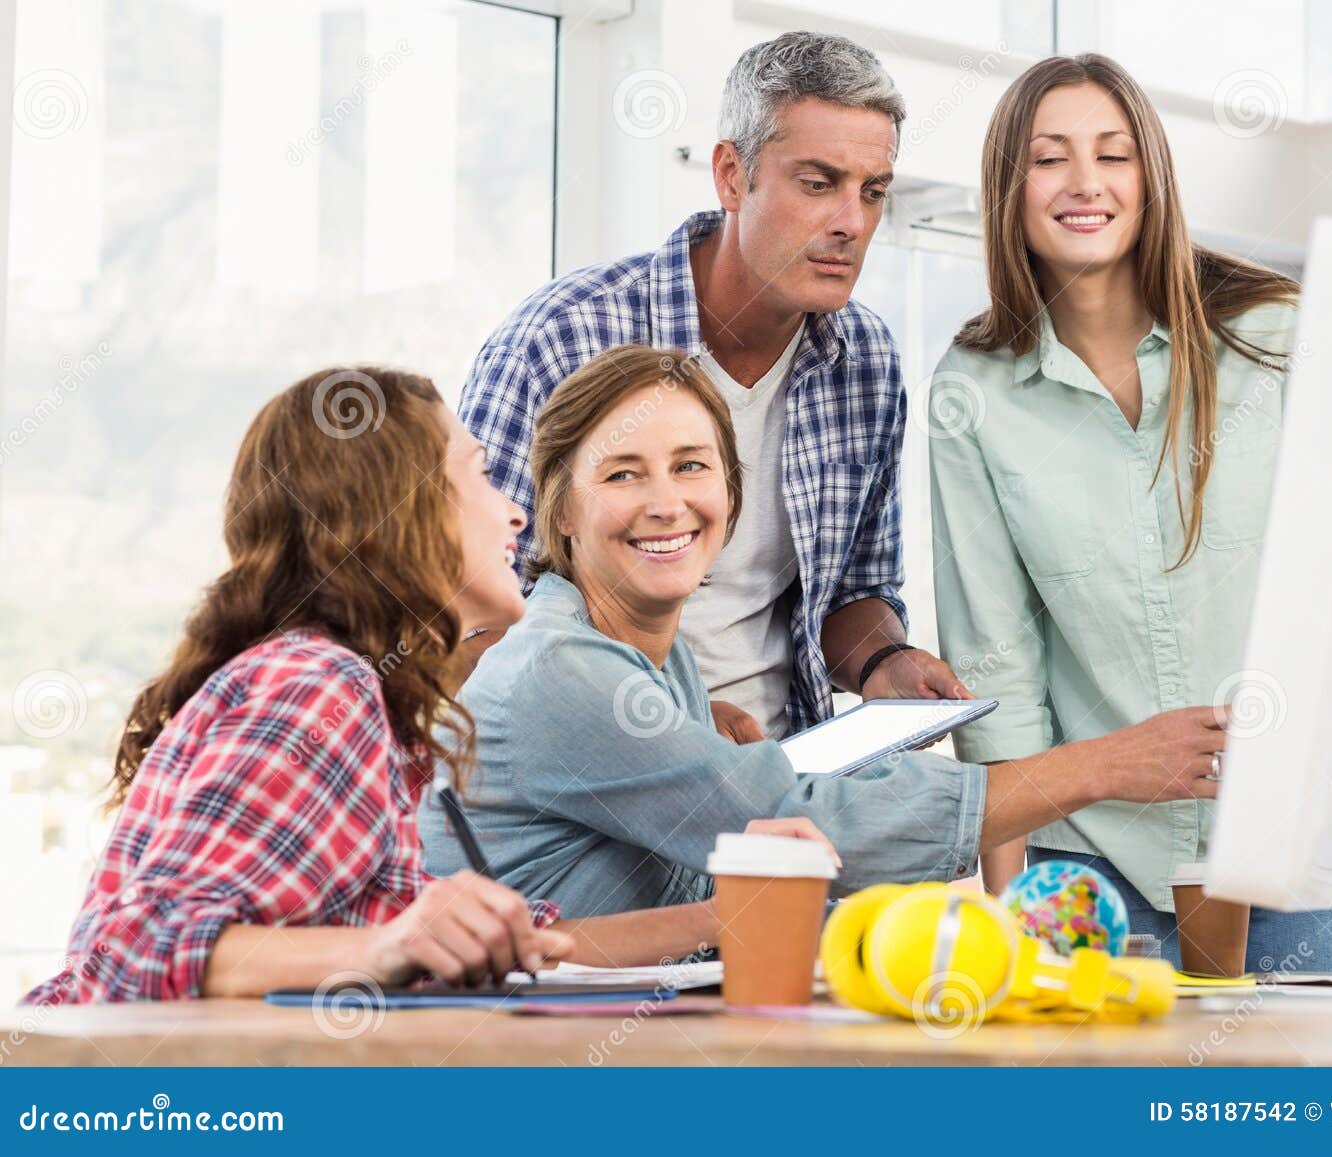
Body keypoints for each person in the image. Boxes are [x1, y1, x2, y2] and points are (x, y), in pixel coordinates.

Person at [24, 365, 818, 1004]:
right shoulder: (314, 684)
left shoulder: (369, 704)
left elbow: (521, 949)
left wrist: (735, 914)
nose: (514, 513)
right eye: (478, 477)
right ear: (405, 513)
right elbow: (134, 950)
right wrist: (386, 946)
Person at [419, 345, 1232, 916]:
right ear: (560, 511)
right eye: (624, 473)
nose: (667, 502)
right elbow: (797, 822)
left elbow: (726, 839)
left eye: (692, 465)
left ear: (730, 496)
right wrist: (1107, 765)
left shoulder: (655, 665)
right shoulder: (564, 668)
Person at [928, 54, 1332, 971]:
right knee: (1092, 1116)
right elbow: (996, 661)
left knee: (1303, 1109)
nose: (1085, 184)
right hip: (1088, 866)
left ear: (1152, 178)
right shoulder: (974, 394)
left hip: (1290, 848)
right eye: (1050, 158)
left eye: (1114, 155)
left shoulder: (1276, 337)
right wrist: (1012, 912)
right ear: (1011, 188)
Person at [458, 32, 969, 744]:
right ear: (731, 175)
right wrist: (672, 719)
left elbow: (851, 594)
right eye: (818, 183)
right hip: (587, 775)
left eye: (872, 192)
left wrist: (885, 661)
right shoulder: (563, 338)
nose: (850, 222)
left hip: (778, 780)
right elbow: (466, 620)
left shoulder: (867, 361)